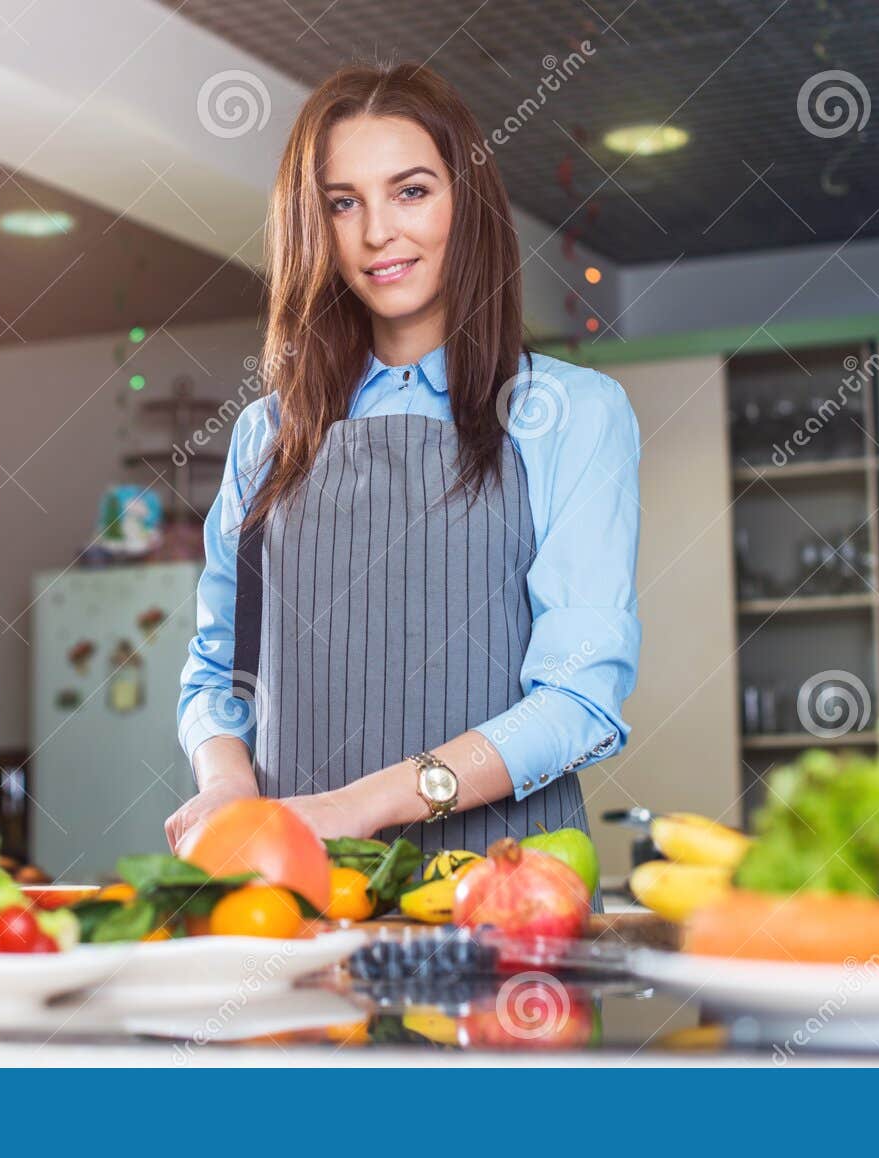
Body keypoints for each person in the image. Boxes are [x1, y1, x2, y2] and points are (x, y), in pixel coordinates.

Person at [170, 62, 640, 858]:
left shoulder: (571, 414)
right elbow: (217, 673)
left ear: (468, 203)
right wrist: (225, 781)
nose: (377, 231)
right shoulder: (266, 434)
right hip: (306, 890)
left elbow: (580, 699)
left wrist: (366, 805)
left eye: (412, 190)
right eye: (342, 203)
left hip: (501, 889)